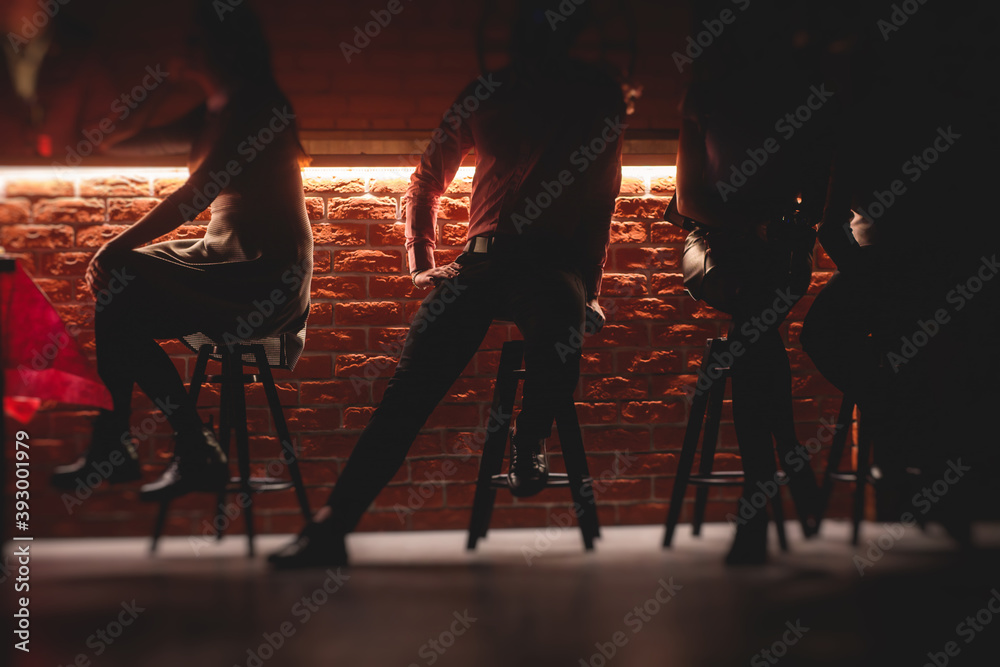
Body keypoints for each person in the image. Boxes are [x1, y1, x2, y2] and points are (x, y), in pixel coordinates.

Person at [269, 0, 625, 569]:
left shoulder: (596, 98)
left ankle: (529, 442)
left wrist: (592, 289)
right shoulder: (488, 91)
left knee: (559, 332)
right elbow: (426, 178)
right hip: (479, 264)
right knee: (407, 390)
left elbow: (600, 201)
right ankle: (333, 525)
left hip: (549, 265)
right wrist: (420, 260)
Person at [50, 0, 313, 503]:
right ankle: (171, 446)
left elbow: (196, 195)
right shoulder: (215, 108)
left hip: (263, 270)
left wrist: (115, 244)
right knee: (119, 301)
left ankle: (136, 444)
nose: (186, 48)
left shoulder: (259, 106)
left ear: (222, 47)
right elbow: (111, 142)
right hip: (222, 256)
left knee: (119, 274)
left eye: (195, 41)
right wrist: (163, 87)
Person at [668, 2, 842, 564]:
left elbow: (820, 191)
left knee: (753, 328)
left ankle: (763, 490)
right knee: (754, 318)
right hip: (714, 244)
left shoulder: (806, 95)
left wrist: (795, 228)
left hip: (777, 251)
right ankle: (779, 469)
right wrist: (759, 226)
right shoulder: (704, 97)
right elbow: (693, 201)